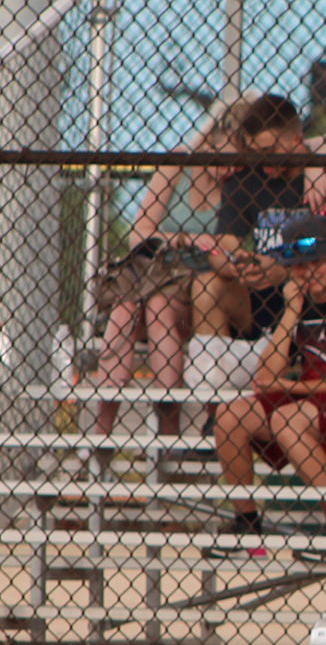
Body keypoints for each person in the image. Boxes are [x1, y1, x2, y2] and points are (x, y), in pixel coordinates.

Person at [210, 215, 326, 553]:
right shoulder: (299, 300)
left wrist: (290, 388)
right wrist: (291, 311)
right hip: (314, 404)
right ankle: (247, 526)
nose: (305, 273)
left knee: (287, 419)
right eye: (296, 266)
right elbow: (265, 377)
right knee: (228, 416)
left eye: (314, 262)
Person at [94, 93, 259, 439]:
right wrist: (183, 238)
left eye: (238, 162)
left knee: (156, 308)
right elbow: (140, 233)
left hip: (197, 286)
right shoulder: (178, 162)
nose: (228, 169)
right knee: (127, 306)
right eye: (222, 158)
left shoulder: (242, 186)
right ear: (209, 139)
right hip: (159, 271)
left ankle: (169, 430)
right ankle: (100, 432)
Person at [192, 95, 326, 362]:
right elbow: (222, 246)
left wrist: (284, 262)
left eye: (270, 150)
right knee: (206, 287)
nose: (261, 161)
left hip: (318, 298)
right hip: (260, 303)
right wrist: (241, 262)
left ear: (296, 141)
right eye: (253, 152)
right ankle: (216, 388)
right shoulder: (245, 180)